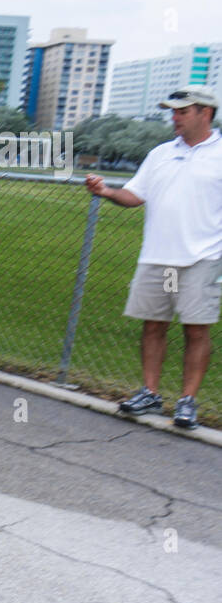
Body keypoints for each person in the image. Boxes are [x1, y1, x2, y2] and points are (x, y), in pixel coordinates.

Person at [86, 87, 222, 430]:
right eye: (172, 112)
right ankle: (150, 392)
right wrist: (106, 191)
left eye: (182, 111)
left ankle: (187, 401)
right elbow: (135, 194)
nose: (174, 118)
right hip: (159, 258)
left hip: (202, 258)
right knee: (154, 324)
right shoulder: (160, 153)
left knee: (196, 330)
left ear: (205, 113)